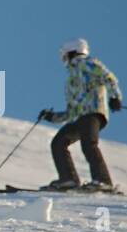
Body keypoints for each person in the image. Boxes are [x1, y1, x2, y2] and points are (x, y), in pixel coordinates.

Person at [37, 38, 122, 190]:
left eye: (64, 55)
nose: (63, 59)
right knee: (59, 142)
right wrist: (52, 117)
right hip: (79, 117)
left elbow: (109, 77)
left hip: (92, 113)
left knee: (89, 144)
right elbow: (71, 112)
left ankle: (103, 181)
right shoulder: (71, 80)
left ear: (72, 52)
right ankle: (68, 179)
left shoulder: (86, 63)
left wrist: (115, 97)